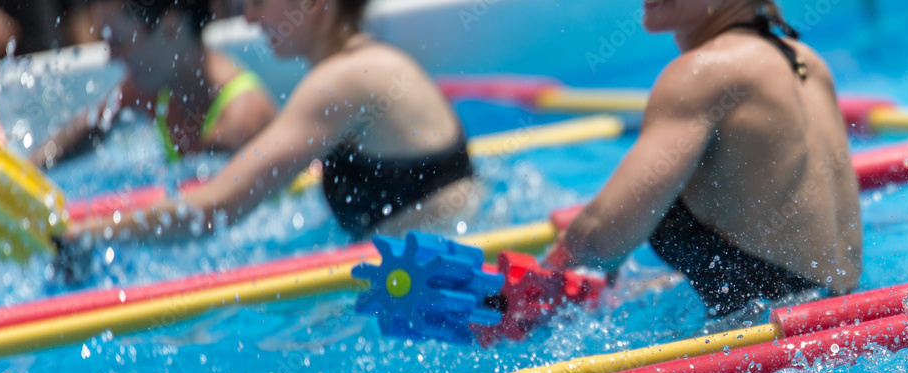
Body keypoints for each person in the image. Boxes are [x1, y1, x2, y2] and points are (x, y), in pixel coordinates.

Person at [62, 0, 477, 245]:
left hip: (445, 280)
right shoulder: (368, 64)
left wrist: (87, 234)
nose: (249, 18)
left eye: (260, 1)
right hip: (451, 256)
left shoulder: (344, 81)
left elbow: (213, 208)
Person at [545, 0, 862, 314]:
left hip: (766, 339)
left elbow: (601, 238)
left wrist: (557, 262)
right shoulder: (806, 60)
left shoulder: (702, 72)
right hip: (847, 313)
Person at [32, 0, 277, 167]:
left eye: (119, 40)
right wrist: (23, 170)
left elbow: (205, 213)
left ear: (170, 29)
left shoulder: (238, 120)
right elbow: (88, 127)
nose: (111, 56)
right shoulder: (153, 88)